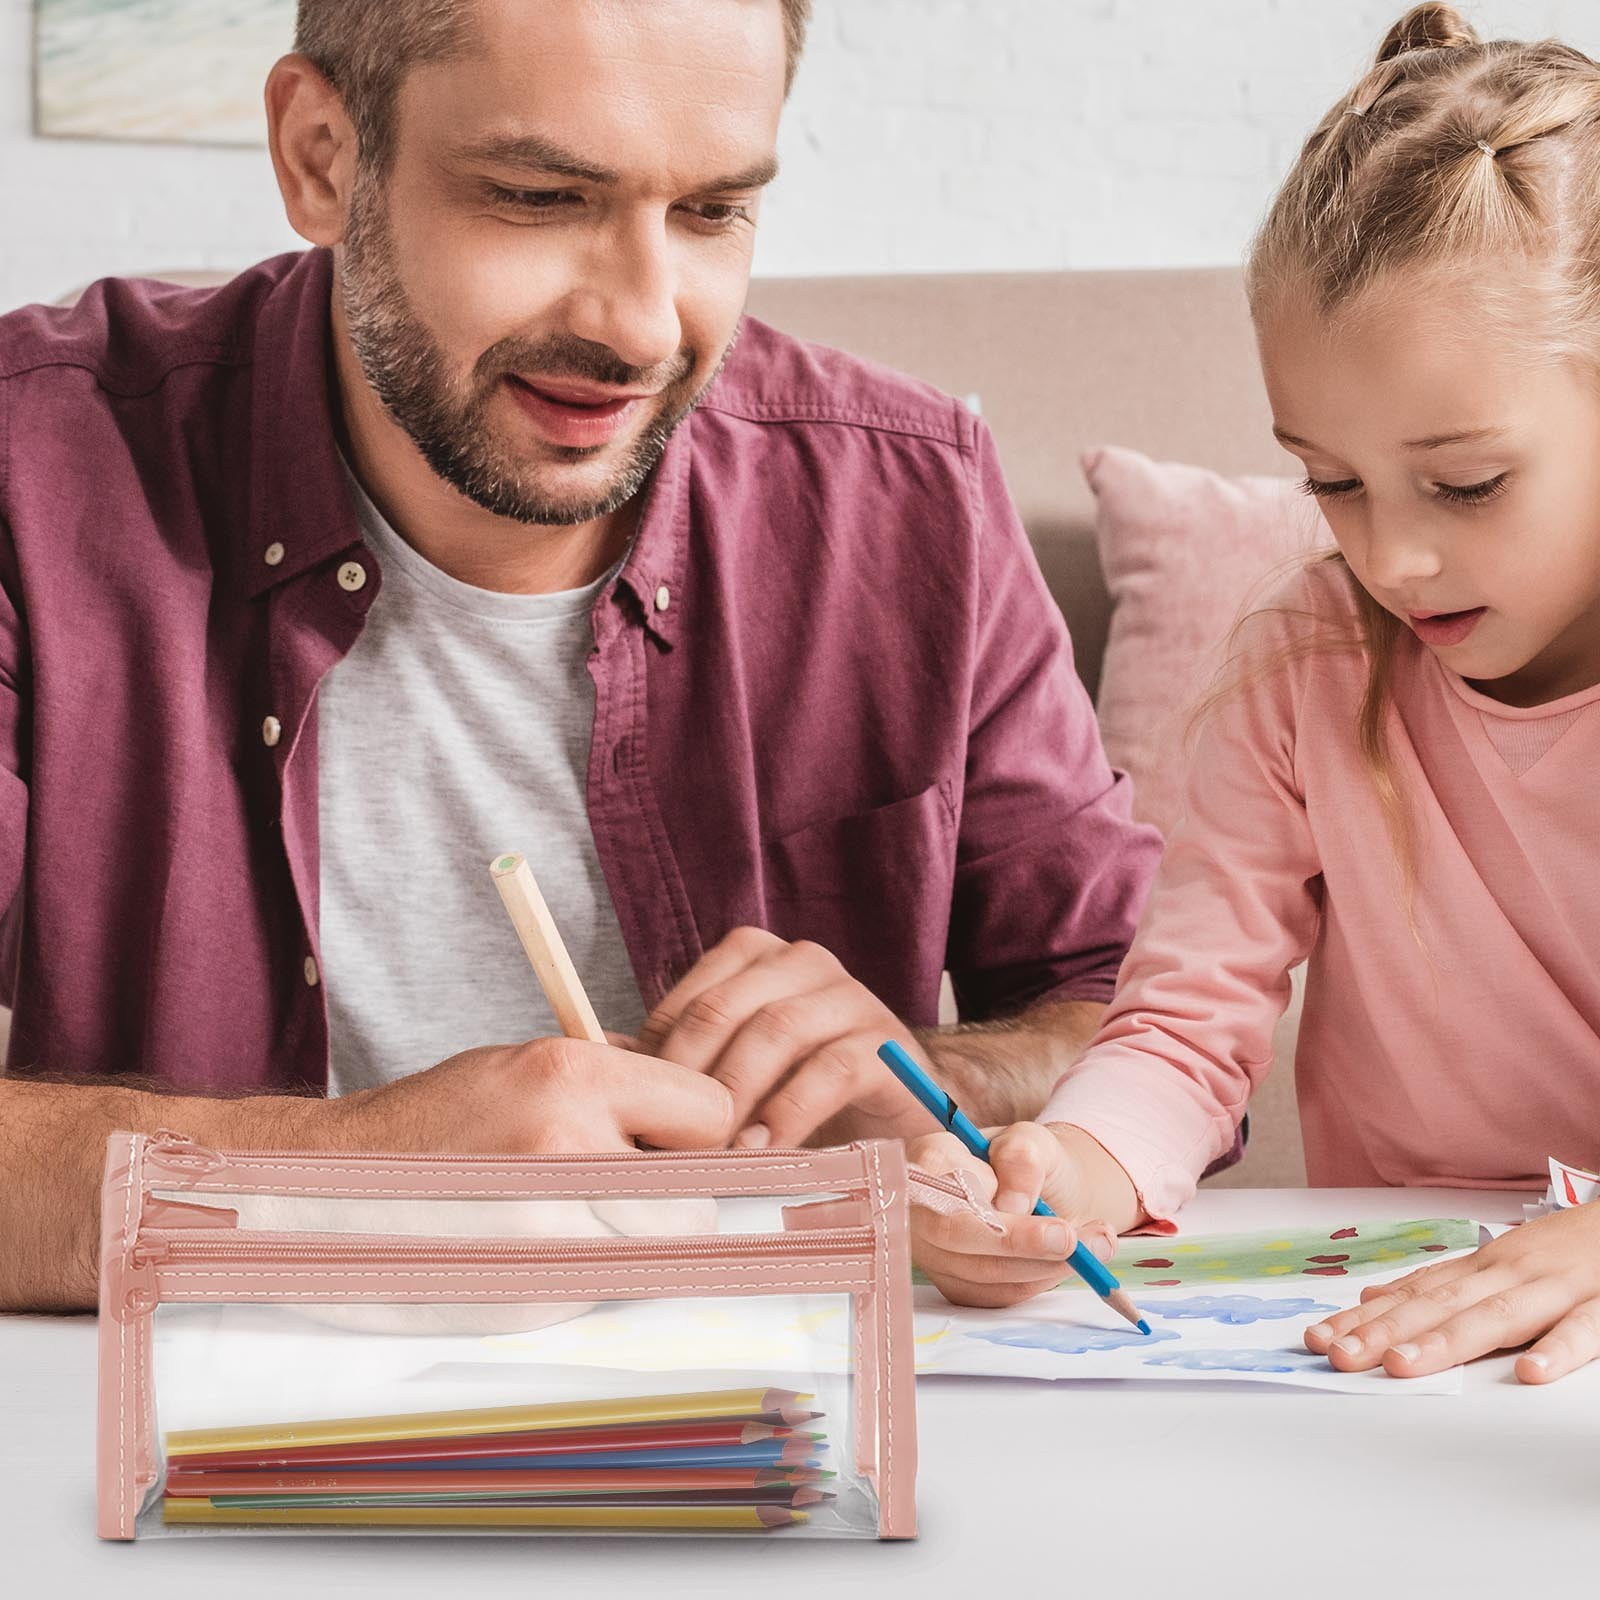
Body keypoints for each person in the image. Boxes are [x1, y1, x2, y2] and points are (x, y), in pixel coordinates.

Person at [0, 0, 1159, 1311]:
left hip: (792, 1445)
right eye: (542, 197)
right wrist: (345, 1177)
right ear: (323, 155)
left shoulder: (909, 501)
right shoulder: (36, 473)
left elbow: (1128, 1014)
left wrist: (941, 1090)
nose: (642, 328)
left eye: (714, 212)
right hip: (200, 1453)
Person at [911, 3, 1600, 1385]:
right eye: (1330, 481)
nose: (1387, 554)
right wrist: (1075, 1165)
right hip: (1389, 1330)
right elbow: (1185, 1018)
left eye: (1466, 483)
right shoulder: (1309, 657)